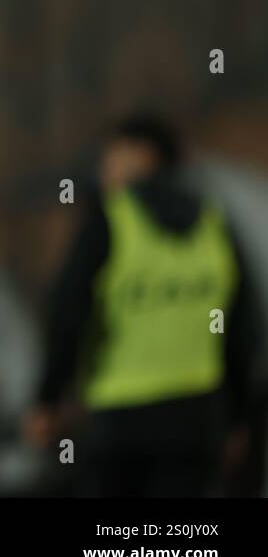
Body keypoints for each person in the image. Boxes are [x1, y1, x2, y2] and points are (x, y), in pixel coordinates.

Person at [25, 112, 263, 496]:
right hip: (197, 416)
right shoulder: (215, 225)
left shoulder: (110, 221)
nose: (105, 169)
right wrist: (238, 417)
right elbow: (241, 328)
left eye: (113, 157)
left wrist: (48, 398)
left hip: (121, 418)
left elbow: (68, 313)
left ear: (145, 156)